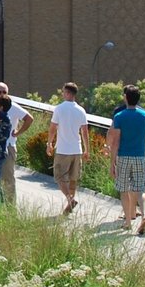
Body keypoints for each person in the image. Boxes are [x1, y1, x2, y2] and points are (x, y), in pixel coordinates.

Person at [105, 85, 145, 237]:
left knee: (124, 189)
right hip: (140, 155)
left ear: (126, 97)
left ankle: (127, 221)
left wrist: (112, 163)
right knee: (140, 189)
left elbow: (116, 141)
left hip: (124, 156)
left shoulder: (120, 116)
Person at [45, 81, 90, 214]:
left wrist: (49, 143)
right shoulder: (81, 110)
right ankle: (70, 201)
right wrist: (87, 149)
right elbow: (85, 132)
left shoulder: (59, 109)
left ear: (68, 93)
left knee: (59, 177)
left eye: (64, 92)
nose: (63, 94)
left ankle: (70, 199)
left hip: (63, 149)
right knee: (73, 178)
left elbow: (53, 128)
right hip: (77, 149)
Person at [0, 82, 30, 207]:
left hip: (7, 146)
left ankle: (11, 208)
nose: (1, 94)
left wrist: (18, 132)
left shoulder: (13, 107)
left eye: (4, 92)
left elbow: (29, 118)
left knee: (7, 178)